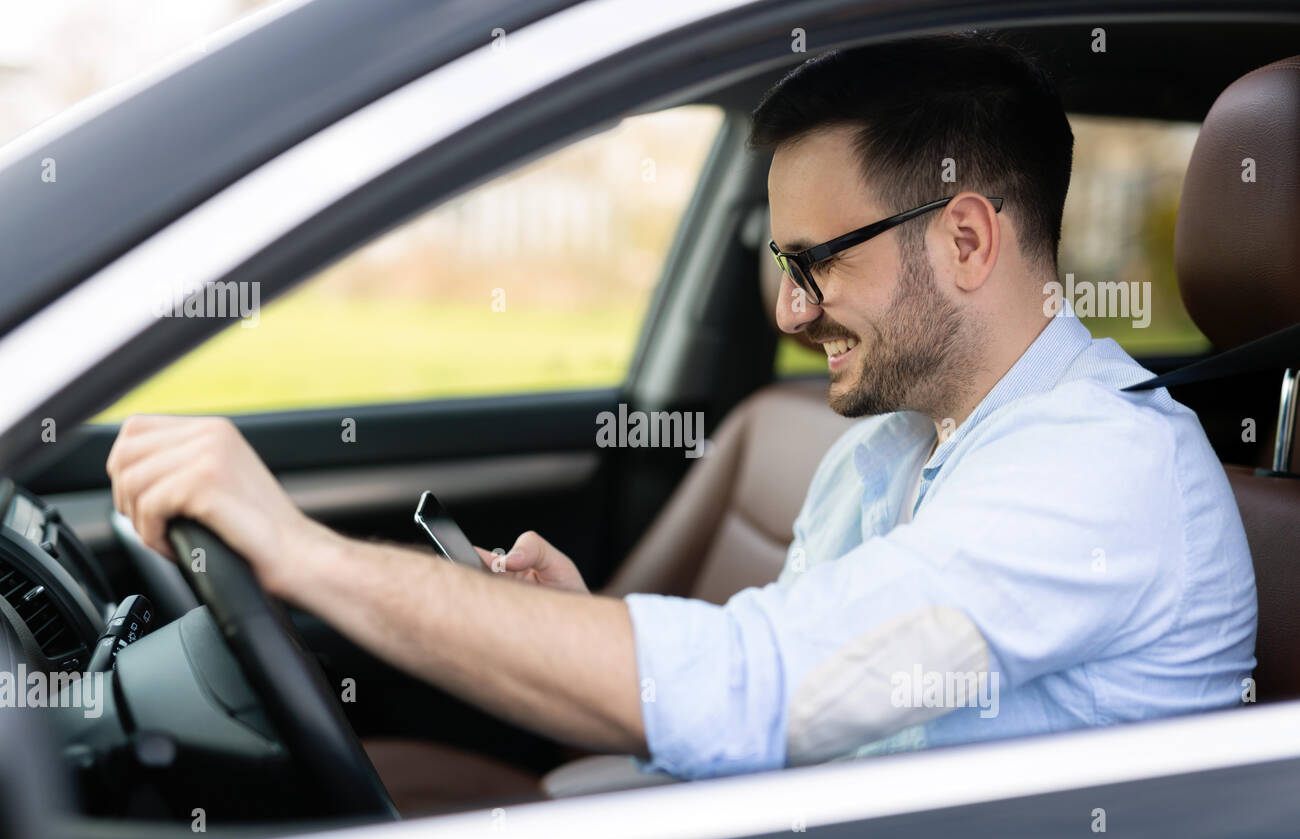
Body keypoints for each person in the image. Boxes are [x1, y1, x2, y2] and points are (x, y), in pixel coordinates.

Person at [106, 35, 1257, 785]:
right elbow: (794, 684)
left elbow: (760, 690)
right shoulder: (889, 447)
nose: (788, 306)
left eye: (814, 261)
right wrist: (581, 618)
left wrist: (302, 553)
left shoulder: (1103, 475)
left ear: (964, 239)